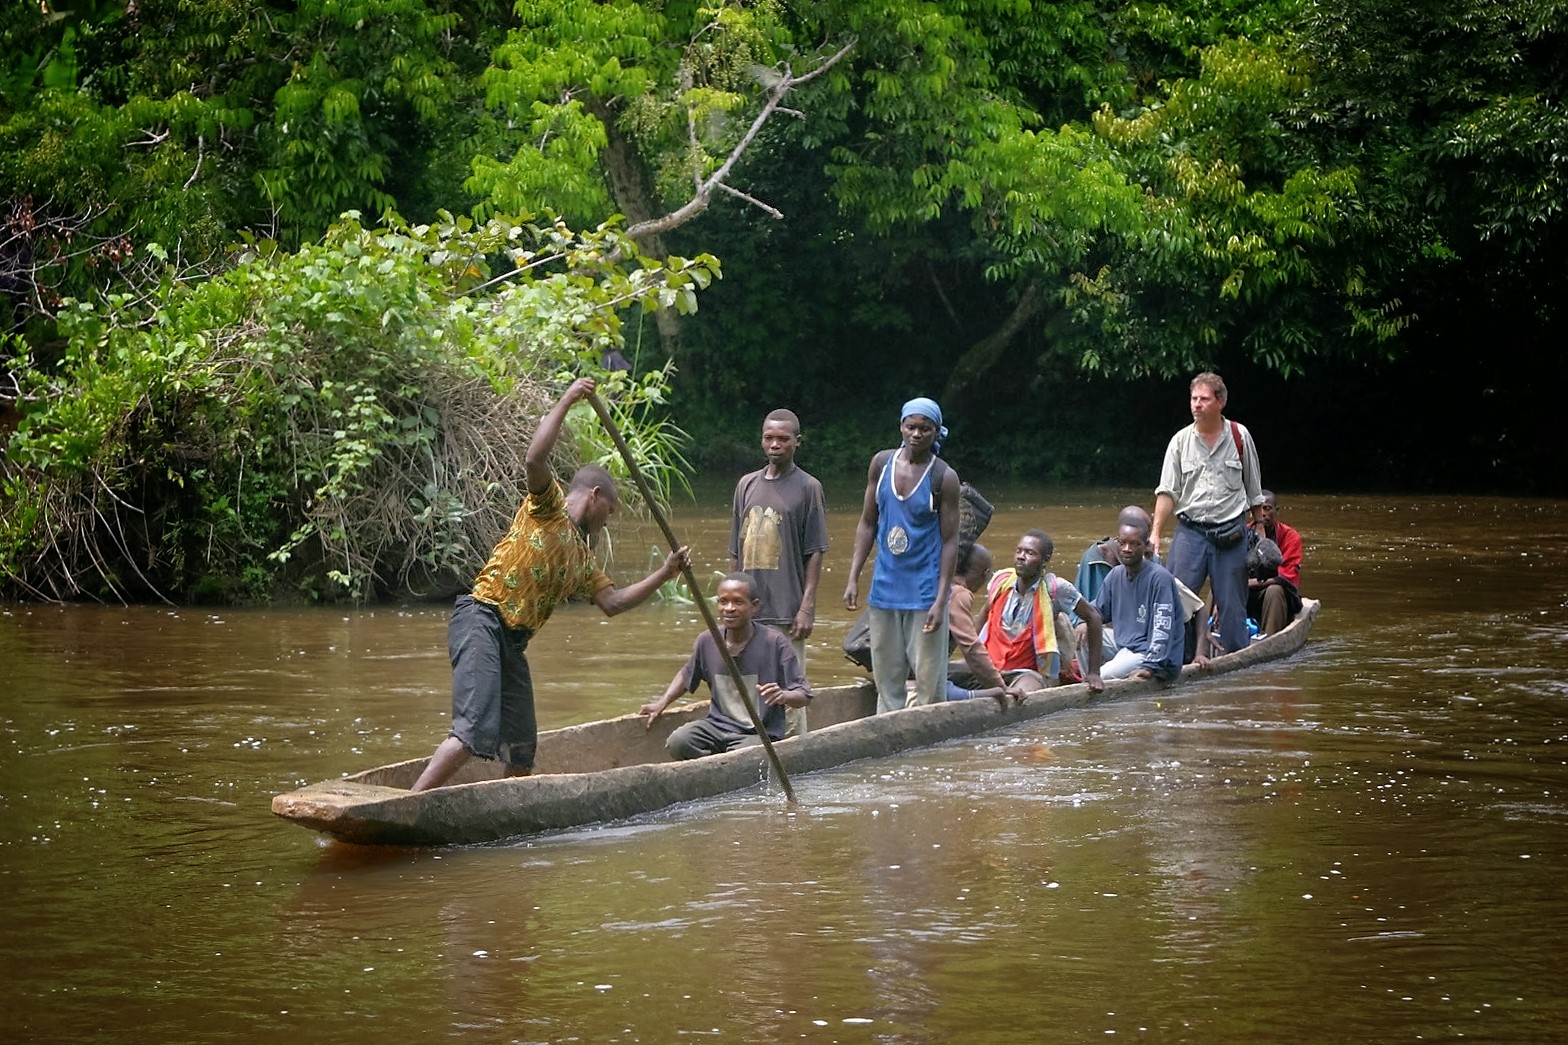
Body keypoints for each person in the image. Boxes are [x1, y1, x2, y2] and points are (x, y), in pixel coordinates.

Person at [410, 377, 689, 792]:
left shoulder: (581, 559)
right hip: (482, 619)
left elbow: (612, 602)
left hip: (512, 642)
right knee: (471, 733)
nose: (606, 522)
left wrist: (664, 574)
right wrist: (567, 399)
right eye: (608, 512)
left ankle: (506, 808)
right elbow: (534, 459)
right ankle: (411, 802)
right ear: (593, 496)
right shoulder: (548, 507)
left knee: (522, 750)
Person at [844, 397, 961, 714]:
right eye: (911, 426)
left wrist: (941, 599)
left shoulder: (943, 477)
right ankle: (888, 733)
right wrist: (854, 577)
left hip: (924, 592)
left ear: (937, 432)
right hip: (885, 589)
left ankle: (929, 737)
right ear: (901, 427)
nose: (917, 434)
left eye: (926, 428)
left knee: (928, 680)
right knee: (887, 675)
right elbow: (868, 523)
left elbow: (951, 541)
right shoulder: (881, 465)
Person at [1151, 371, 1264, 657]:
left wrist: (1259, 525)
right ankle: (1179, 659)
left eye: (1204, 399)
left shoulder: (1239, 436)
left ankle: (1237, 663)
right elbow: (1167, 492)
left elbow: (1253, 486)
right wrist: (1155, 533)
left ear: (1220, 402)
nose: (1197, 404)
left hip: (1232, 534)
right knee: (1177, 599)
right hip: (1191, 533)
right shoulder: (1179, 441)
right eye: (1193, 399)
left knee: (1232, 605)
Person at [729, 408, 828, 736]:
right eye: (769, 438)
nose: (775, 444)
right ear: (761, 440)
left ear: (797, 442)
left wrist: (806, 607)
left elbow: (814, 552)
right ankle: (748, 742)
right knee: (746, 685)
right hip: (749, 609)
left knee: (790, 686)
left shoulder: (808, 488)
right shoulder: (746, 485)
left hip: (786, 610)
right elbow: (735, 551)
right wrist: (731, 603)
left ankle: (794, 749)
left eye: (783, 439)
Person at [639, 573, 811, 759]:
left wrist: (783, 696)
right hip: (718, 726)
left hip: (757, 733)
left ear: (754, 606)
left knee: (741, 756)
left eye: (738, 602)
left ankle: (723, 765)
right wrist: (661, 703)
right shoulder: (708, 640)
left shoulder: (775, 643)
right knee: (679, 741)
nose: (729, 608)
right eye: (723, 602)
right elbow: (688, 674)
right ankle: (712, 767)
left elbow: (804, 695)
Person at [981, 530, 1106, 693]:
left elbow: (1093, 617)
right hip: (991, 665)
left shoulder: (1056, 589)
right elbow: (983, 615)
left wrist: (1094, 673)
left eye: (1030, 553)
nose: (1021, 556)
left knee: (1024, 694)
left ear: (1045, 560)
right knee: (948, 674)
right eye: (1019, 551)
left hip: (1028, 672)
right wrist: (971, 654)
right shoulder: (1001, 581)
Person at [1092, 507, 1184, 682]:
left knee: (1103, 676)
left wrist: (1150, 666)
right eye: (1122, 543)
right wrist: (1083, 622)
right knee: (1085, 632)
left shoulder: (1159, 578)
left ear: (1145, 546)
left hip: (1149, 654)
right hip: (1124, 644)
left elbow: (1162, 629)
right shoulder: (1116, 574)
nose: (1127, 549)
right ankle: (1091, 677)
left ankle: (1098, 679)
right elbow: (1097, 611)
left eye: (1134, 544)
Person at [944, 543, 1035, 705]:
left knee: (968, 670)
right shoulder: (960, 594)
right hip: (923, 673)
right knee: (1021, 678)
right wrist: (1001, 686)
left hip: (913, 667)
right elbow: (970, 647)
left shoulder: (940, 583)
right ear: (984, 574)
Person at [1248, 489, 1303, 635]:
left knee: (1274, 590)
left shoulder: (1291, 537)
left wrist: (1252, 583)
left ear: (1276, 511)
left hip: (1280, 593)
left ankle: (1268, 640)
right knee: (1219, 588)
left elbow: (1287, 578)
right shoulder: (1245, 533)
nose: (1263, 514)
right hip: (1248, 590)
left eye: (1267, 509)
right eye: (1259, 510)